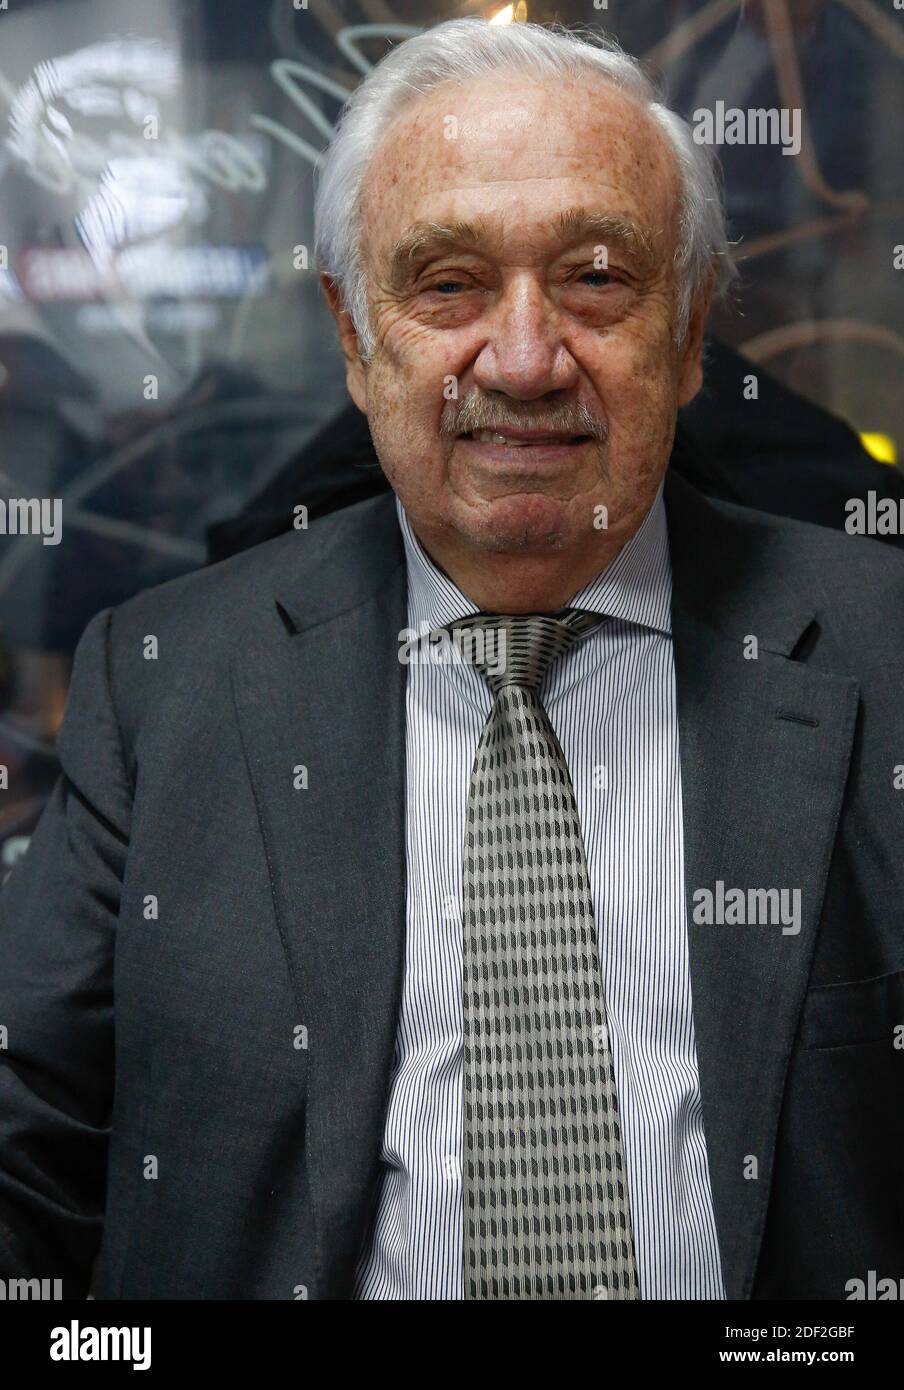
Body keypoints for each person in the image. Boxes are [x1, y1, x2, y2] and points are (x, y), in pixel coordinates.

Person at [1, 18, 902, 1301]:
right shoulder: (162, 681)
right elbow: (26, 1149)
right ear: (354, 338)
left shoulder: (885, 649)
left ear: (692, 330)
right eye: (445, 285)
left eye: (595, 277)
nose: (524, 360)